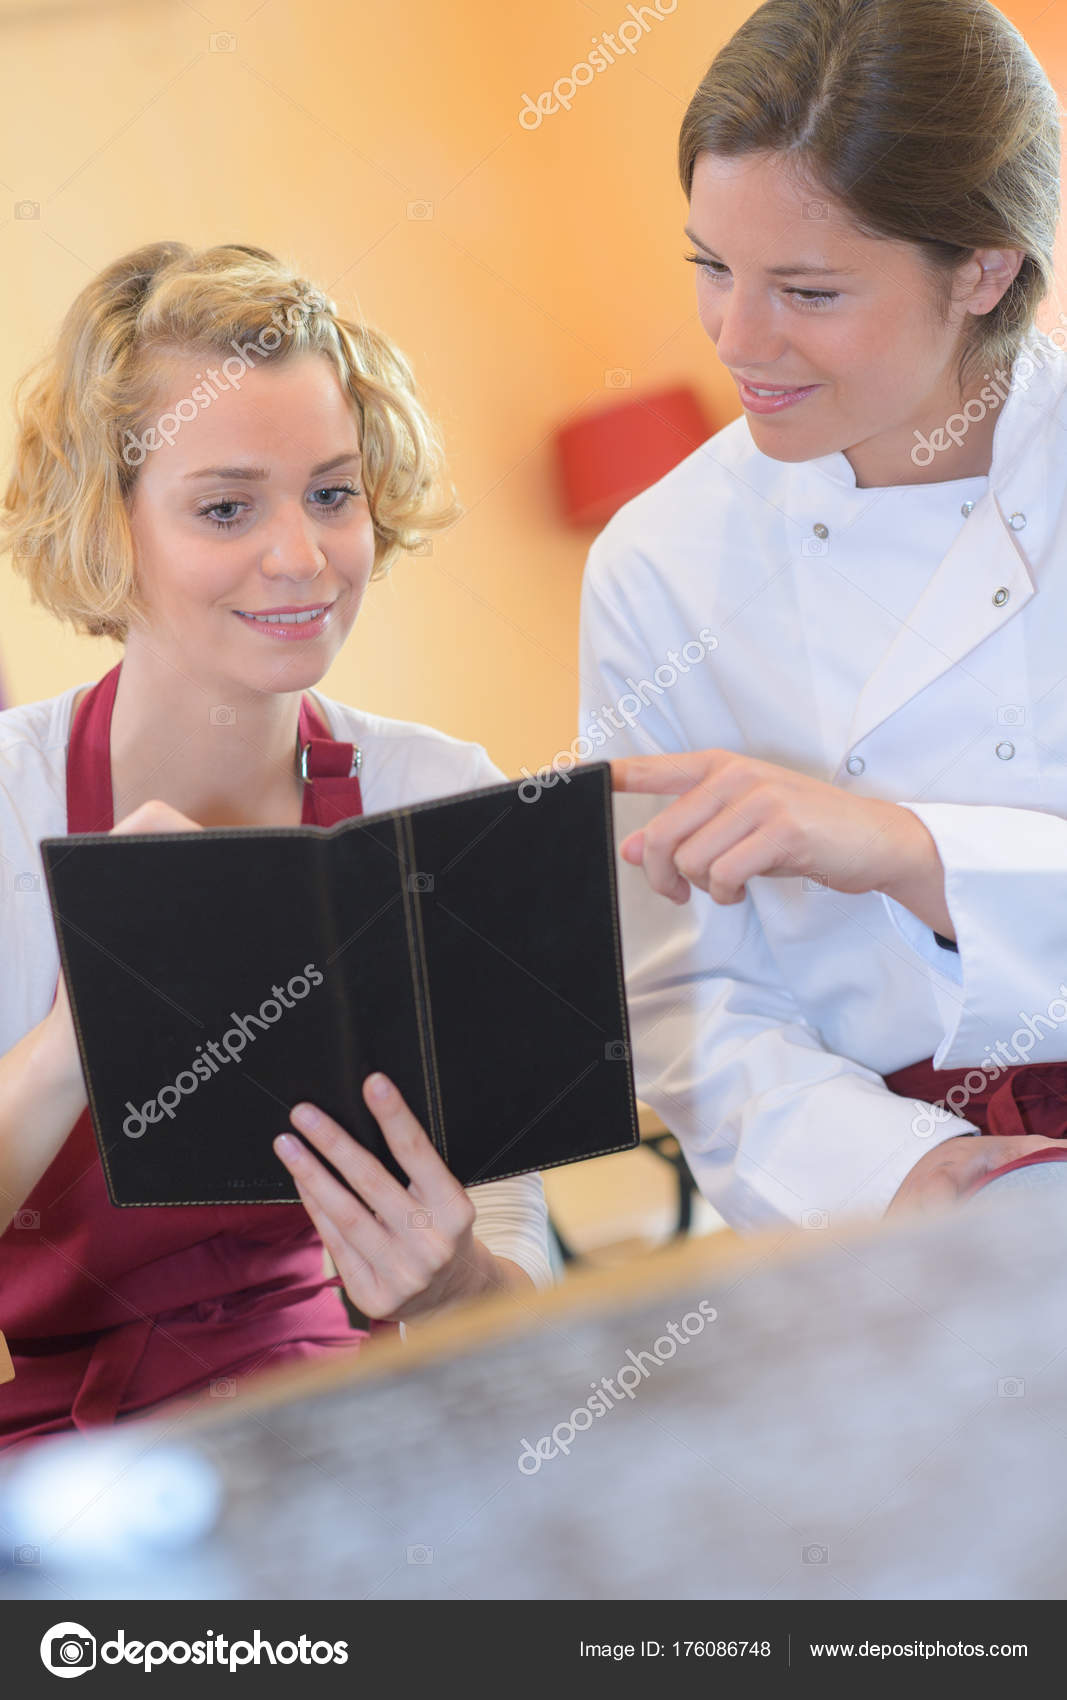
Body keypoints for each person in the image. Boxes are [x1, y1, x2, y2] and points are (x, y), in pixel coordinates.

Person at [0, 241, 551, 1446]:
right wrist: (63, 1047)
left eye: (333, 491)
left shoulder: (438, 798)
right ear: (107, 521)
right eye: (225, 505)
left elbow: (512, 1269)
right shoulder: (9, 805)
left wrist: (450, 1279)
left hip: (351, 1409)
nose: (301, 554)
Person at [579, 0, 1067, 1230]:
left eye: (806, 288)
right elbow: (686, 989)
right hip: (898, 1209)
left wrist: (901, 847)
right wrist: (891, 1169)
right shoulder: (660, 562)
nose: (738, 339)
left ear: (984, 268)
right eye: (708, 265)